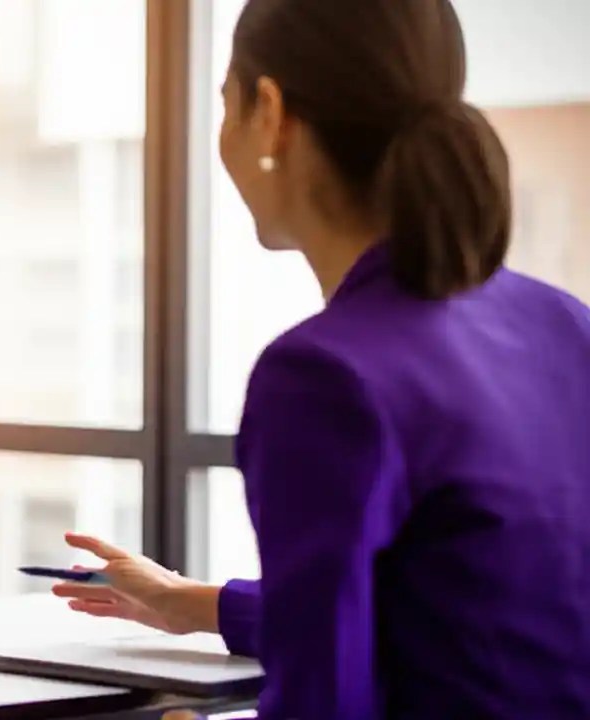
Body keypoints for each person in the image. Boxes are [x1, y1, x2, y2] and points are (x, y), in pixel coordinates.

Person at [54, 1, 590, 718]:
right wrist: (194, 604)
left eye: (226, 103)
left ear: (269, 112)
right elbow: (447, 618)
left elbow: (323, 698)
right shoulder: (564, 323)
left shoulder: (324, 377)